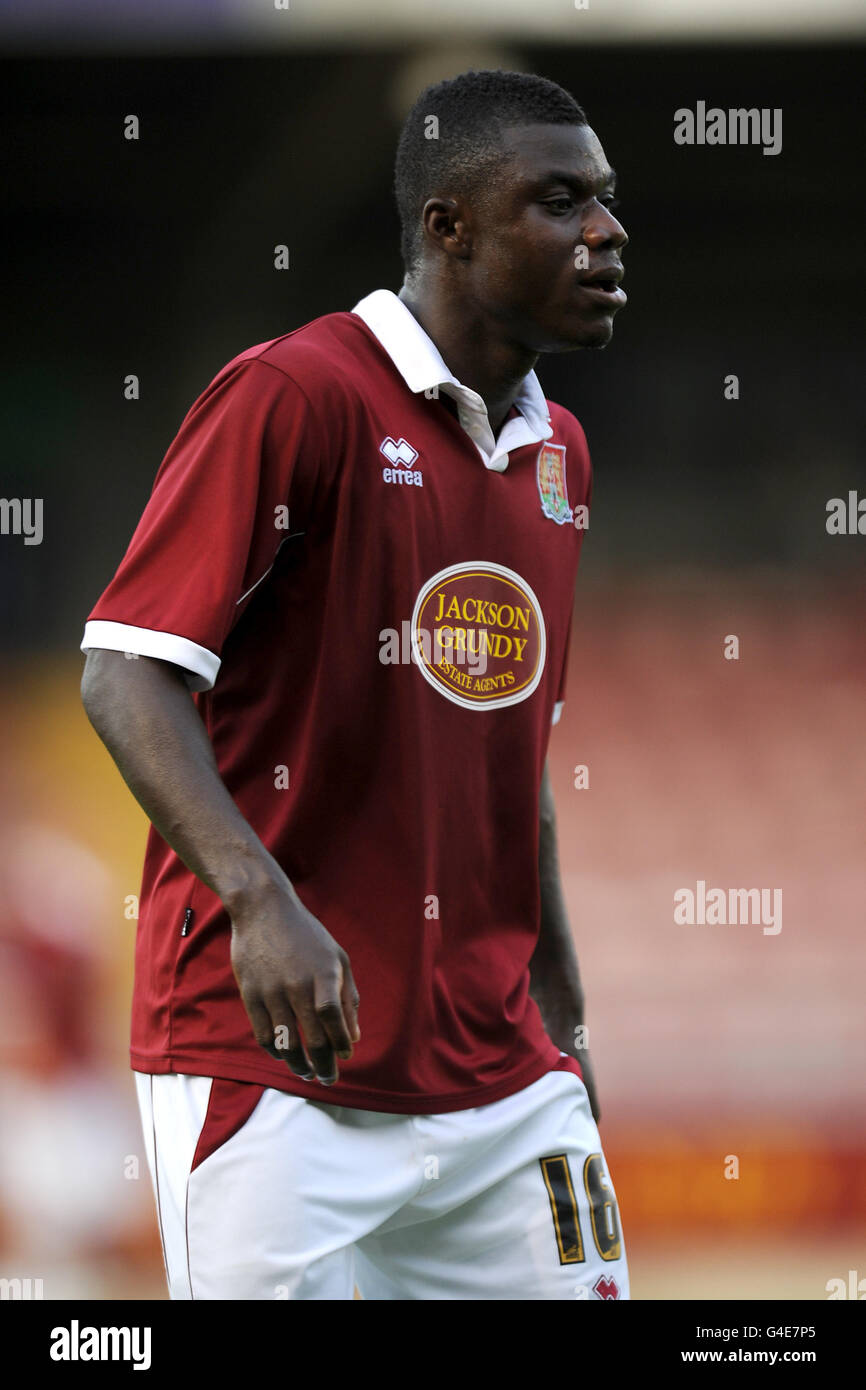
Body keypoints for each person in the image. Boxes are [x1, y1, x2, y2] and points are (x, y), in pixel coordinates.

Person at [80, 68, 630, 1301]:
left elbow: (513, 764)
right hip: (272, 1068)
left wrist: (566, 1024)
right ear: (447, 225)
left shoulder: (559, 454)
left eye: (606, 203)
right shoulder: (297, 394)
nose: (605, 233)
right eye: (559, 202)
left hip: (498, 1078)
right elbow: (124, 672)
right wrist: (255, 897)